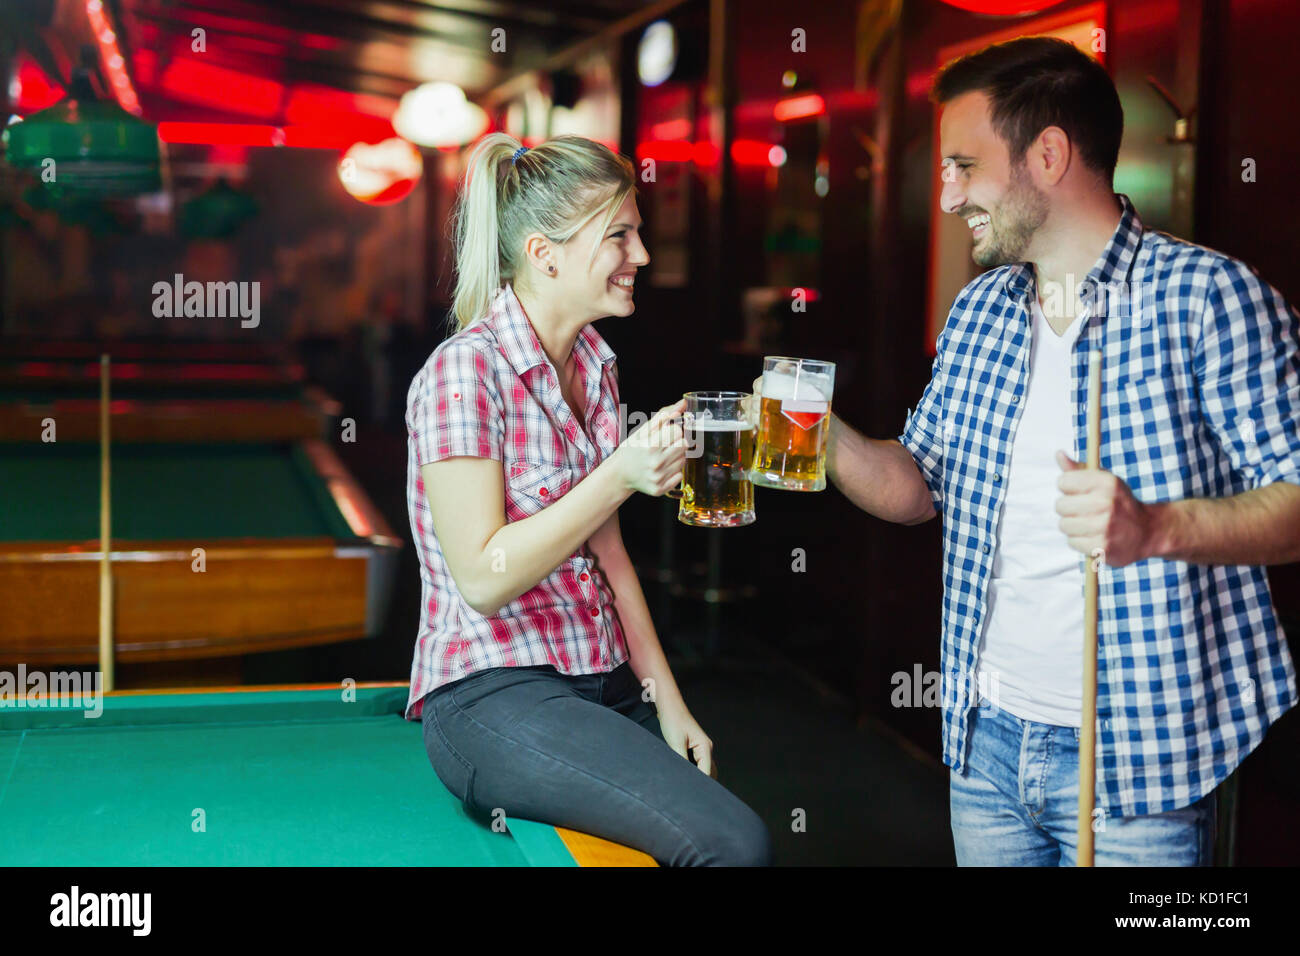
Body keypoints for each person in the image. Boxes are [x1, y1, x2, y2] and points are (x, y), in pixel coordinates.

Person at [809, 37, 1299, 865]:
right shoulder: (981, 311)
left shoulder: (1208, 296)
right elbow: (918, 485)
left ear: (1048, 153)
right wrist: (822, 437)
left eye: (964, 164)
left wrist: (1156, 528)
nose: (948, 192)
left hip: (1139, 757)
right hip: (985, 742)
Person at [404, 132, 772, 867]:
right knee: (736, 845)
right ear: (545, 255)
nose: (641, 255)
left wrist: (666, 696)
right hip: (490, 693)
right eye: (620, 235)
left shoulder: (593, 369)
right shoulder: (463, 373)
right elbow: (482, 578)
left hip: (597, 682)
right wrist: (619, 475)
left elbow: (609, 554)